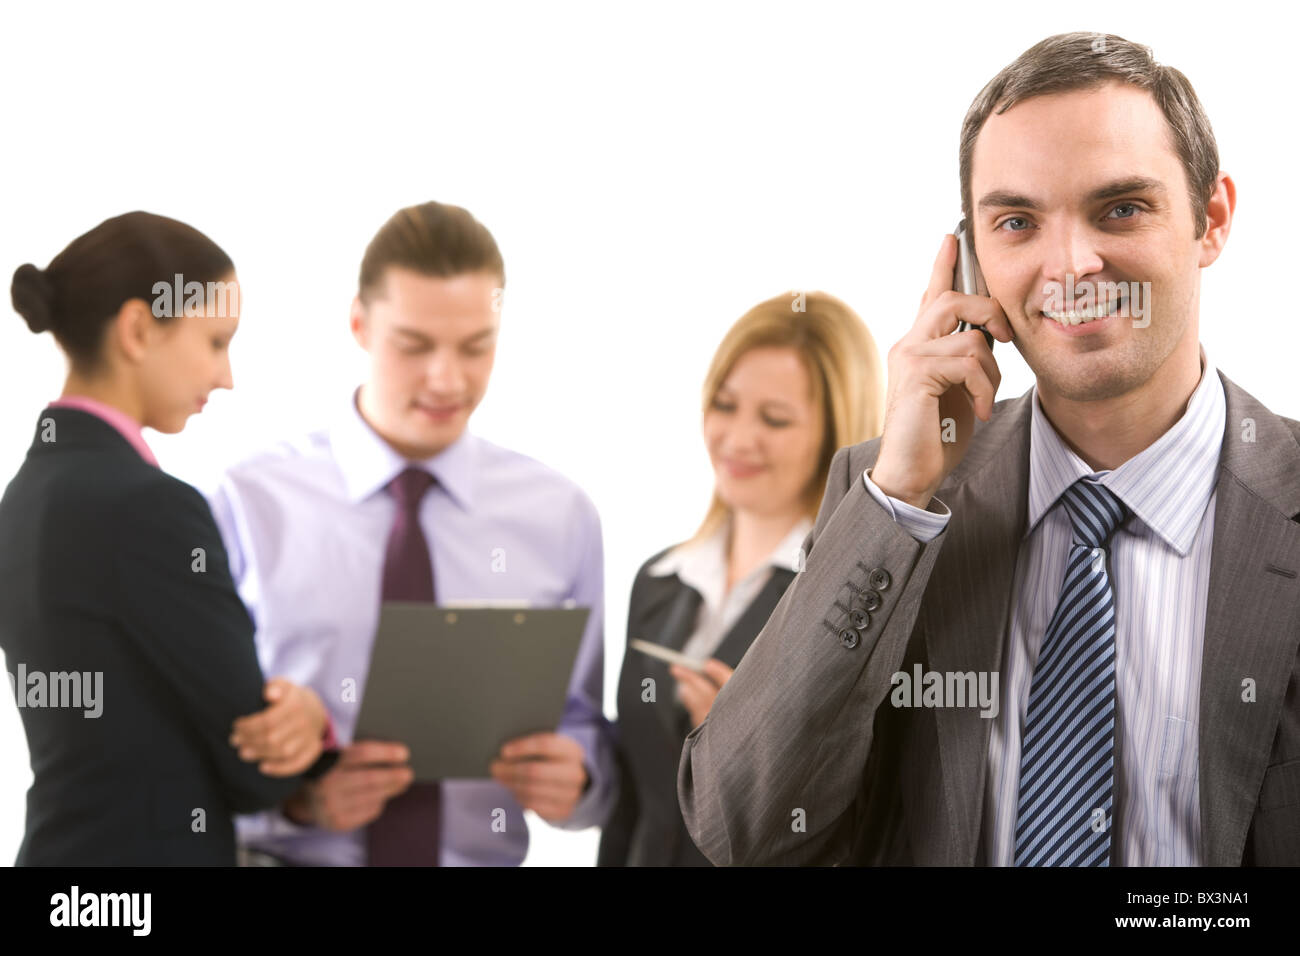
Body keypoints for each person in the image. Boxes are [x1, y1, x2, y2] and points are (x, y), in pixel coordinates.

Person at [678, 32, 1300, 867]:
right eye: (1017, 221)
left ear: (1212, 219)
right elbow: (737, 826)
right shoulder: (889, 502)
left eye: (1121, 207)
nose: (1073, 264)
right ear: (970, 255)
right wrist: (897, 498)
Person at [208, 200, 615, 866]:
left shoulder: (560, 516)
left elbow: (583, 724)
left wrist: (581, 779)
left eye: (476, 346)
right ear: (359, 324)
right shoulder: (246, 502)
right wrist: (293, 801)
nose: (447, 379)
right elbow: (184, 740)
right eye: (415, 345)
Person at [1, 211, 336, 865]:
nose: (227, 375)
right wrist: (310, 718)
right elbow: (254, 769)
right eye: (216, 341)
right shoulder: (150, 508)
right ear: (137, 329)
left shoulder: (24, 496)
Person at [598, 291, 883, 866]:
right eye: (724, 406)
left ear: (836, 433)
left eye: (774, 419)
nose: (738, 439)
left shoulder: (854, 597)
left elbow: (863, 823)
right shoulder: (658, 581)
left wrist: (740, 745)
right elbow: (631, 803)